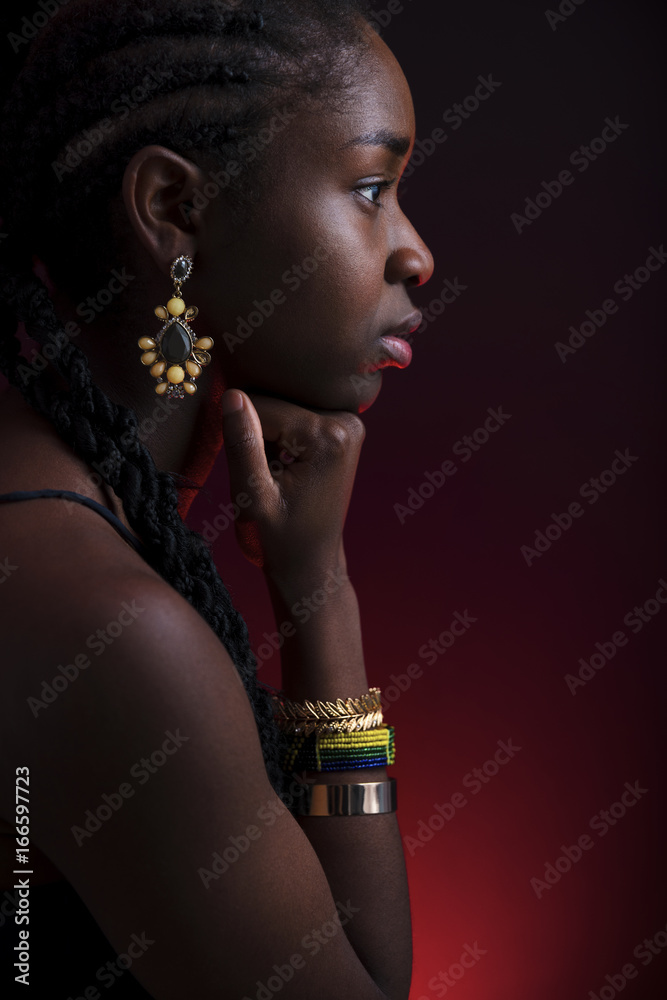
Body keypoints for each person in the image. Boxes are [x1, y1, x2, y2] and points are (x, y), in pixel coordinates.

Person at [0, 1, 433, 996]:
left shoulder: (57, 509)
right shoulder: (106, 632)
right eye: (370, 188)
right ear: (173, 212)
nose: (415, 253)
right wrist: (320, 594)